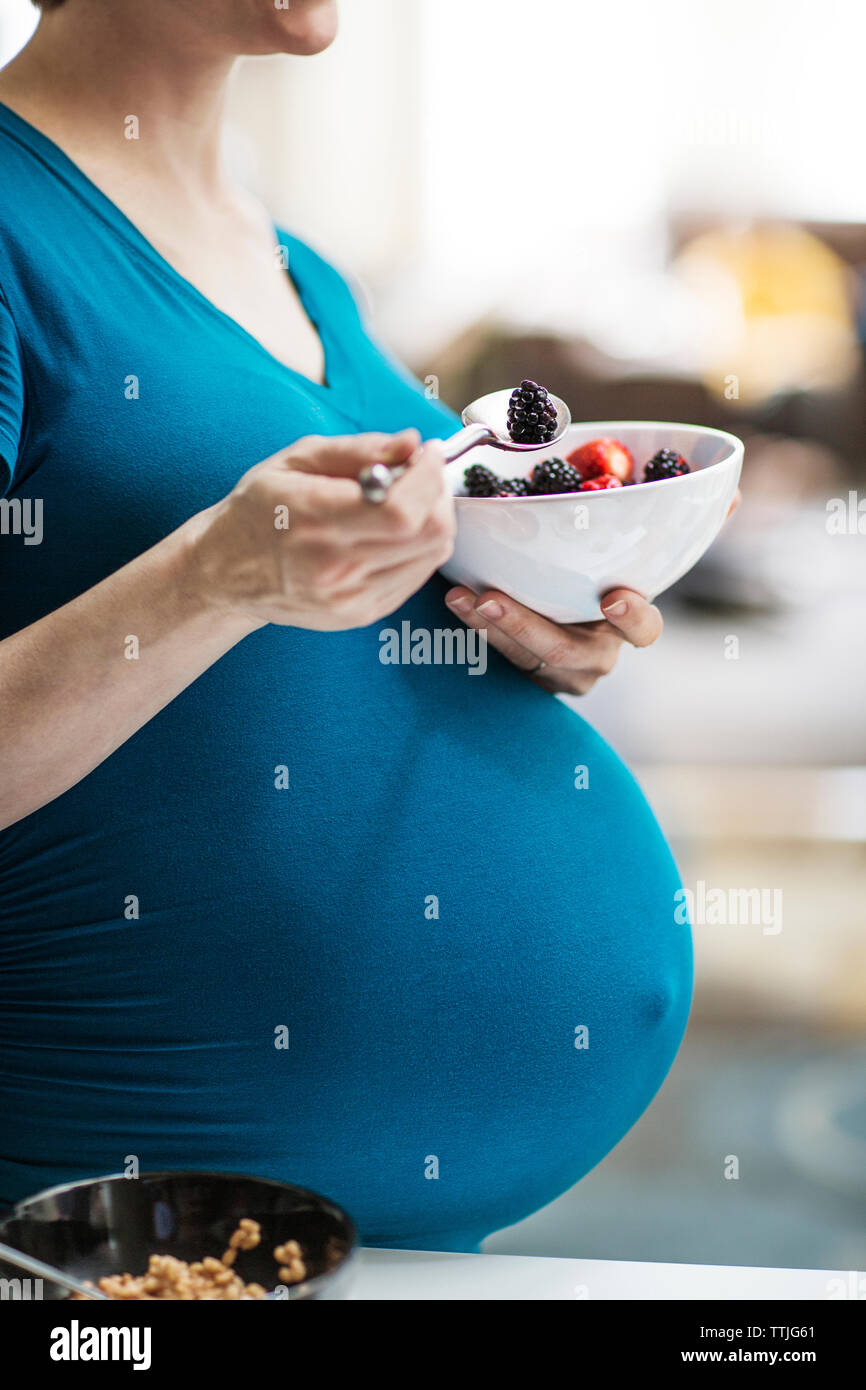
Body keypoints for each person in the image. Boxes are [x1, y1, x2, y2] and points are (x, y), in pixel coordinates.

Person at [0, 0, 691, 1253]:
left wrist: (525, 621)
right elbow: (218, 588)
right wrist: (204, 579)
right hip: (140, 1236)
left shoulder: (292, 266)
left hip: (393, 1235)